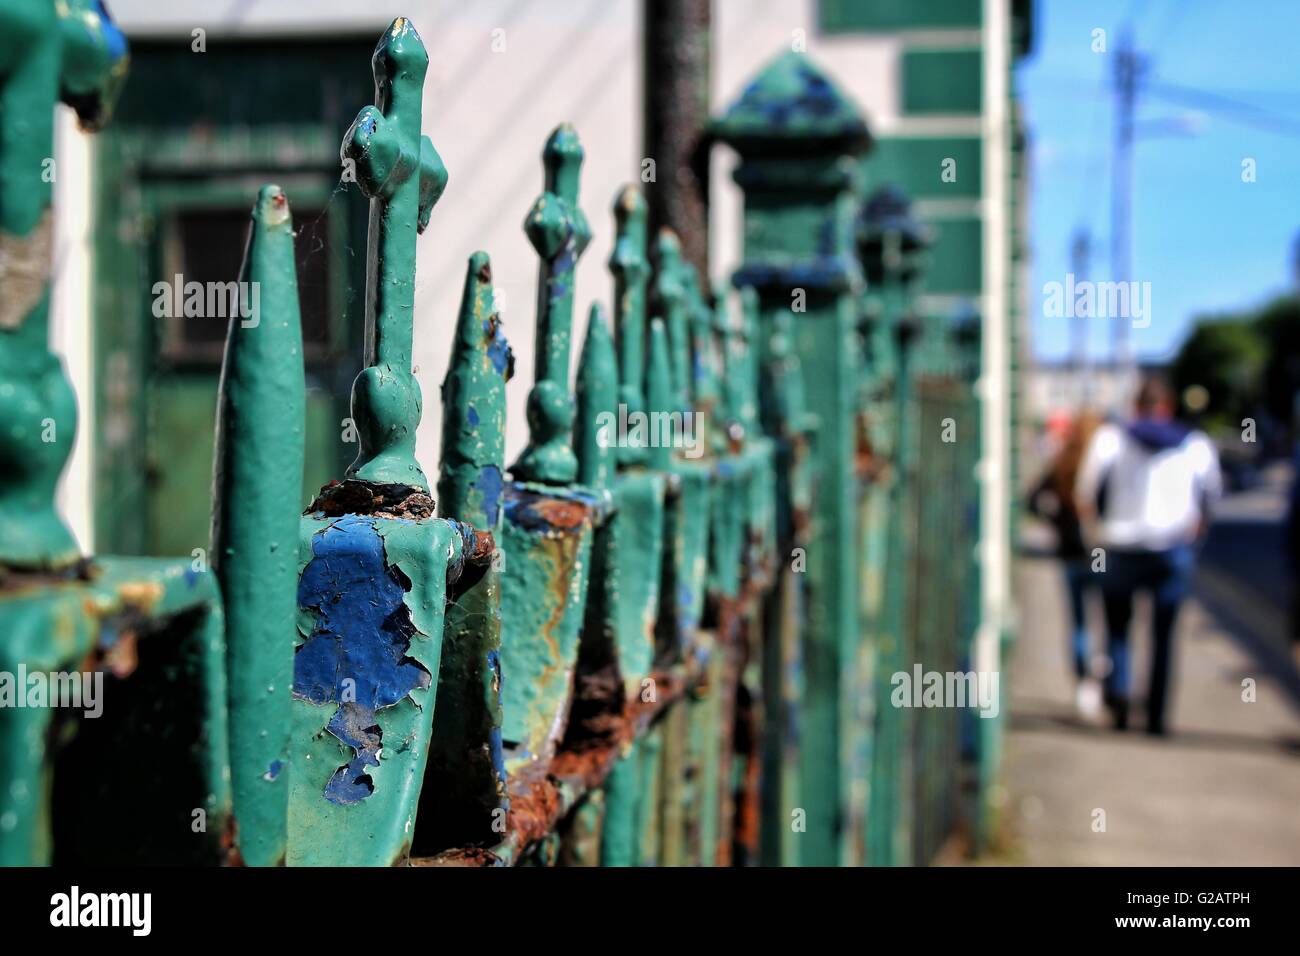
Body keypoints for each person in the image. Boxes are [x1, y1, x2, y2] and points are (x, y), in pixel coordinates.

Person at [1075, 375, 1222, 734]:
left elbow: (1085, 495)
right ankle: (1156, 716)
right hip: (1171, 549)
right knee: (1164, 636)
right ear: (1168, 408)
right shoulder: (1195, 444)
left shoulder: (1111, 439)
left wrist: (1097, 536)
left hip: (1120, 547)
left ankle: (1121, 699)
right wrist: (1193, 532)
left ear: (1136, 407)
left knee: (1118, 631)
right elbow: (1211, 497)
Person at [1028, 411, 1104, 717]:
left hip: (1070, 553)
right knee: (1109, 620)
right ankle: (1107, 682)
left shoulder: (1061, 463)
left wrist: (1058, 522)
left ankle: (1084, 685)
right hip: (1102, 552)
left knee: (1080, 623)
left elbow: (1032, 500)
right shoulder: (1102, 463)